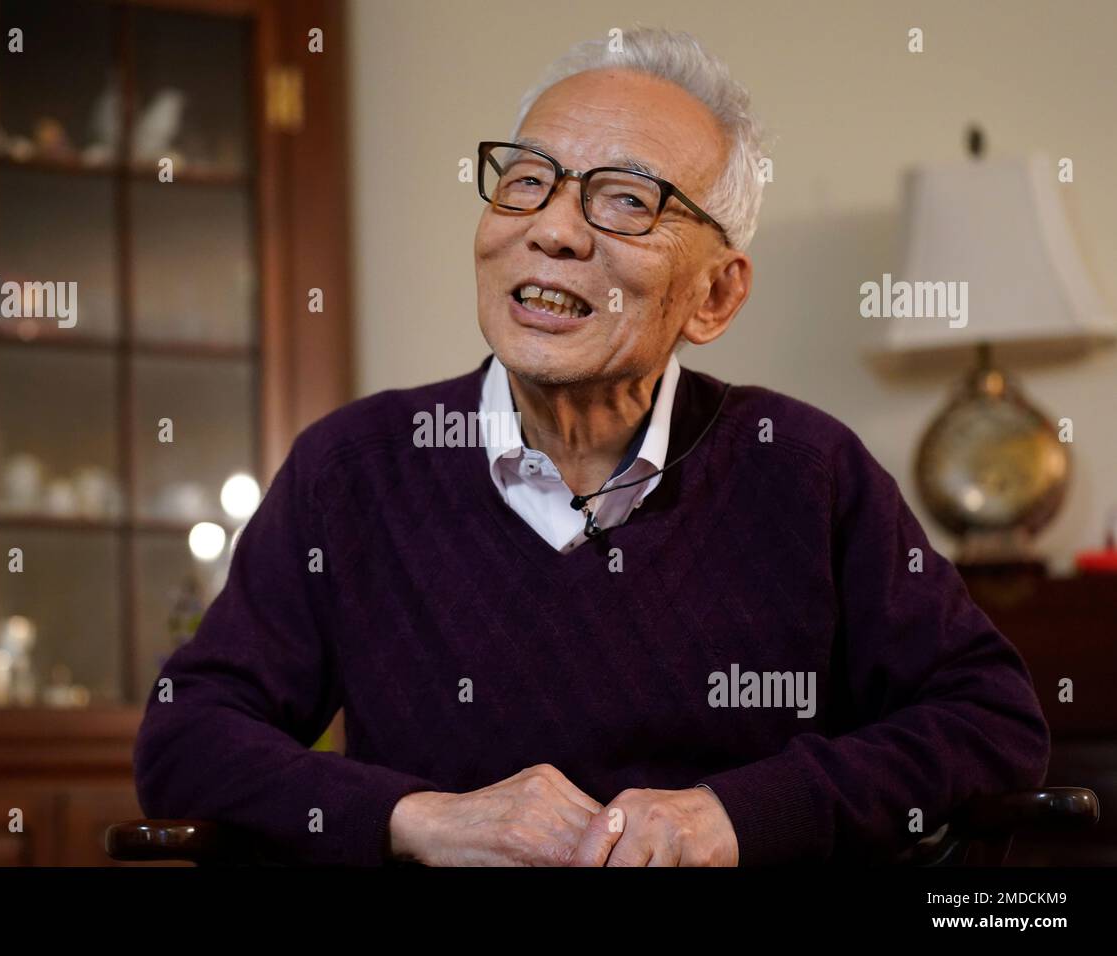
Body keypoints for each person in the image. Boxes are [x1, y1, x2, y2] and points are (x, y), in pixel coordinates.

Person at [134, 26, 1049, 867]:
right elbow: (189, 735)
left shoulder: (804, 470)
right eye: (526, 179)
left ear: (715, 296)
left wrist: (736, 816)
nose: (553, 228)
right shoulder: (356, 470)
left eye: (624, 200)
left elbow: (991, 721)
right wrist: (420, 817)